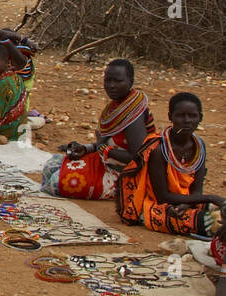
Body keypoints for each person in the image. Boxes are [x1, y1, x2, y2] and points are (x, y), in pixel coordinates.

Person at [41, 59, 155, 200]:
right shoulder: (118, 107)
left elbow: (138, 158)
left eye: (118, 81)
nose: (111, 86)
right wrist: (87, 149)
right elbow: (106, 142)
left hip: (126, 176)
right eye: (108, 81)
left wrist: (103, 149)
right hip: (107, 163)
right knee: (52, 165)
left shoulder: (133, 114)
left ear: (130, 81)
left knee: (56, 182)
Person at [117, 92, 224, 238]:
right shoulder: (159, 149)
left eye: (192, 116)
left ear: (200, 118)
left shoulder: (200, 146)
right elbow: (162, 196)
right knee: (214, 224)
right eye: (181, 115)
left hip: (188, 201)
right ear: (170, 117)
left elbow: (196, 190)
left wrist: (186, 205)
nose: (187, 120)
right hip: (158, 207)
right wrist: (210, 198)